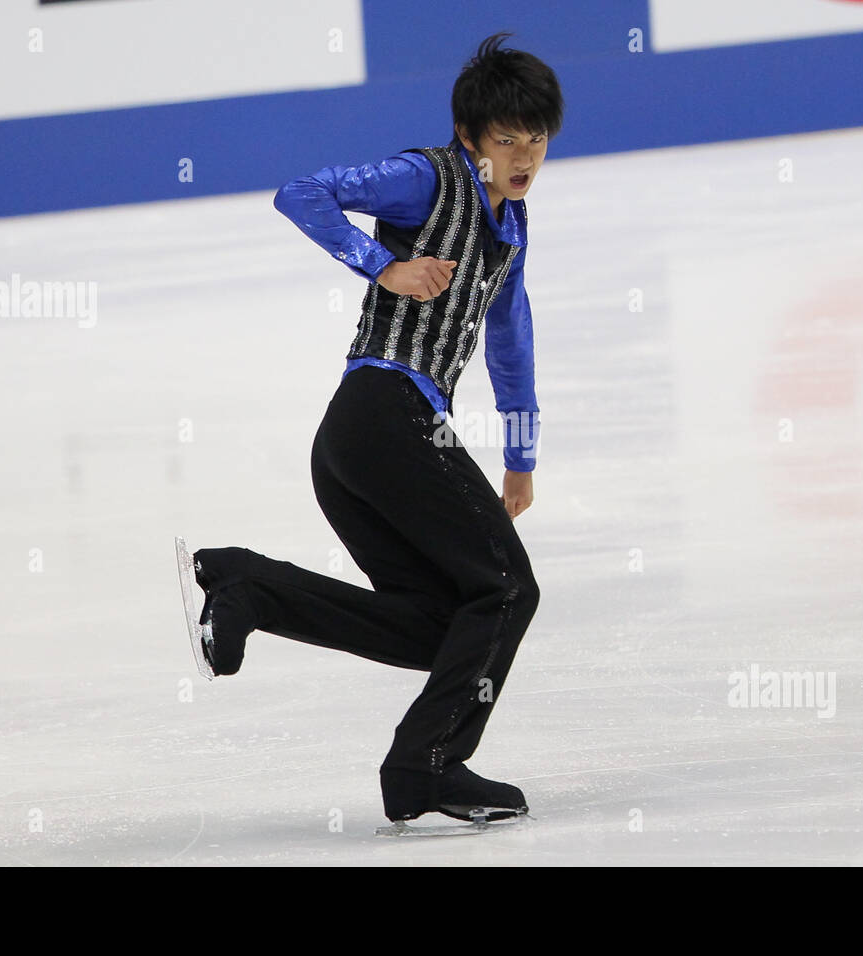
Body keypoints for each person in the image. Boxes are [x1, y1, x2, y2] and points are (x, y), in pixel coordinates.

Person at [185, 32, 563, 824]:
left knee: (447, 625)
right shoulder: (425, 178)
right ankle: (426, 766)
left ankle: (252, 588)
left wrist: (521, 457)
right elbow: (303, 192)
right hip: (384, 415)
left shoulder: (511, 229)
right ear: (470, 137)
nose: (524, 160)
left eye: (537, 142)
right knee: (505, 590)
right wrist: (379, 263)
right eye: (507, 142)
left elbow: (511, 338)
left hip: (364, 443)